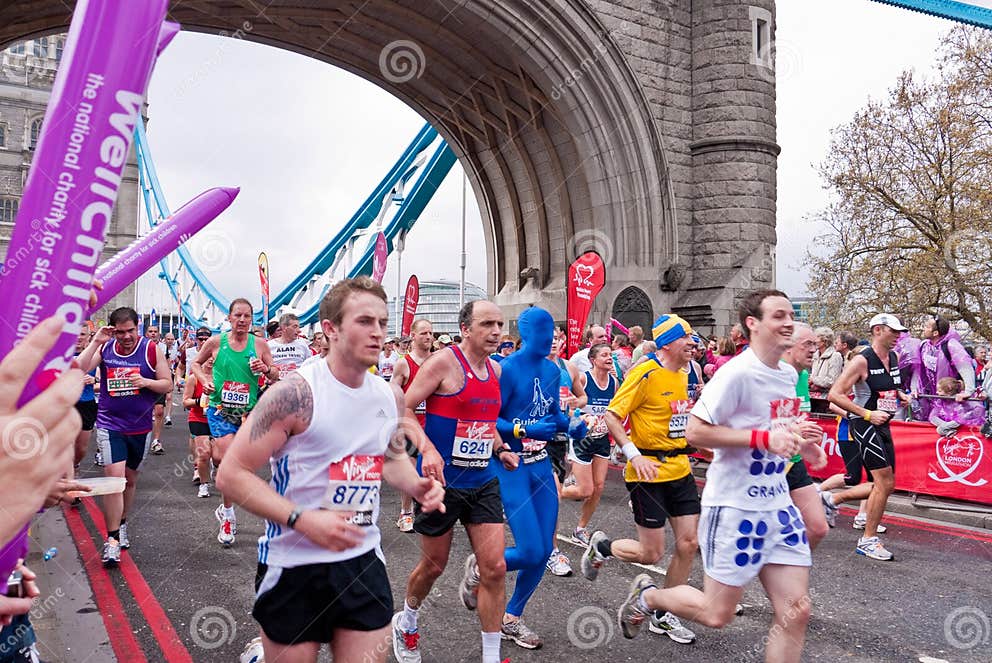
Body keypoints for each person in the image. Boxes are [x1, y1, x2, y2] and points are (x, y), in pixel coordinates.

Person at [216, 277, 444, 663]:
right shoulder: (295, 394)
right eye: (365, 321)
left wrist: (418, 485)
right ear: (331, 329)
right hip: (294, 563)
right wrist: (302, 519)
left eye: (383, 323)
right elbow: (232, 474)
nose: (377, 333)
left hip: (362, 559)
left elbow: (390, 458)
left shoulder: (389, 396)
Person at [611, 291, 826, 663]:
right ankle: (649, 596)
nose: (788, 322)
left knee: (796, 611)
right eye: (779, 315)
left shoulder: (789, 375)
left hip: (777, 508)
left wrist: (802, 446)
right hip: (735, 509)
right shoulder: (735, 374)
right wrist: (762, 439)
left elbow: (778, 431)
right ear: (752, 323)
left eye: (791, 314)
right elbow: (695, 432)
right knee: (716, 613)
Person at [392, 300, 509, 663]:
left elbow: (483, 423)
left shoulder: (497, 371)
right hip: (443, 482)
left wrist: (501, 448)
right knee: (434, 565)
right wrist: (426, 449)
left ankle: (491, 656)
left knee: (495, 567)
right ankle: (407, 619)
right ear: (465, 328)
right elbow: (406, 408)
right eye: (487, 324)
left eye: (499, 324)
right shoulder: (443, 363)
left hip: (483, 480)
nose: (496, 331)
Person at [579, 315, 704, 645]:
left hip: (679, 468)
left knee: (689, 544)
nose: (693, 343)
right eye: (686, 337)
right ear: (666, 343)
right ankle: (601, 546)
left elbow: (680, 420)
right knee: (651, 554)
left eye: (693, 337)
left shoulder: (688, 372)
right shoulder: (645, 372)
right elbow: (612, 415)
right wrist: (633, 453)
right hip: (646, 471)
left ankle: (663, 613)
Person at [491, 307, 588, 649]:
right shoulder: (506, 369)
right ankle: (487, 566)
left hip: (542, 464)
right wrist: (522, 428)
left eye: (554, 335)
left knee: (545, 549)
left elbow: (554, 415)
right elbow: (489, 420)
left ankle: (511, 618)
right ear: (527, 334)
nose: (550, 340)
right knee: (532, 549)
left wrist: (571, 425)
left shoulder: (551, 369)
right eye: (544, 335)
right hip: (510, 465)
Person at [77, 308, 173, 566]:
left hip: (140, 427)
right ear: (113, 330)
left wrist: (145, 382)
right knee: (115, 480)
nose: (126, 336)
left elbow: (168, 384)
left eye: (130, 330)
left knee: (129, 481)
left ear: (137, 327)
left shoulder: (151, 349)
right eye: (120, 332)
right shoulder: (106, 348)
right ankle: (111, 540)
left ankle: (121, 524)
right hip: (110, 424)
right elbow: (79, 368)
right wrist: (97, 340)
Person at [191, 298, 279, 548]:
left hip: (248, 413)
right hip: (220, 410)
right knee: (227, 459)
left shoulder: (260, 344)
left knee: (235, 466)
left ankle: (225, 507)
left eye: (247, 316)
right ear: (229, 318)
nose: (242, 320)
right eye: (237, 315)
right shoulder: (215, 342)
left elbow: (275, 374)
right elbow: (195, 363)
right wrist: (204, 379)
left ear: (252, 320)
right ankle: (228, 515)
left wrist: (264, 368)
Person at [822, 313, 910, 561]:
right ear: (878, 330)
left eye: (899, 332)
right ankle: (868, 539)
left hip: (884, 425)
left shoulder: (893, 357)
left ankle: (831, 499)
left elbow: (888, 386)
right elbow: (834, 395)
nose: (898, 336)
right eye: (894, 331)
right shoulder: (861, 361)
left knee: (887, 484)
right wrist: (868, 414)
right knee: (882, 482)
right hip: (864, 424)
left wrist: (900, 395)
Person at [561, 344, 615, 551]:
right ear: (593, 359)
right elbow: (566, 405)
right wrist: (582, 417)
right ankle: (552, 492)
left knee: (599, 487)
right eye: (604, 355)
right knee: (585, 490)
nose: (609, 358)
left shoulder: (614, 382)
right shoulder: (583, 379)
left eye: (610, 354)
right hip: (581, 439)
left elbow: (615, 410)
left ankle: (580, 529)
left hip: (601, 439)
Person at [781, 323, 830, 550]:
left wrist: (808, 443)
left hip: (795, 462)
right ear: (789, 346)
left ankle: (784, 563)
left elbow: (799, 418)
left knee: (817, 527)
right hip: (769, 466)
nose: (814, 350)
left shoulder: (802, 376)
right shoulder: (774, 375)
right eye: (808, 344)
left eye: (816, 344)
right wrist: (796, 434)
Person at [545, 325, 586, 578]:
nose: (553, 343)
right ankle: (552, 550)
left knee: (553, 495)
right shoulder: (531, 367)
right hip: (533, 440)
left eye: (557, 339)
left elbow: (582, 397)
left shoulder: (568, 368)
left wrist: (574, 403)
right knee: (553, 496)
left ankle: (546, 546)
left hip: (559, 439)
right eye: (548, 339)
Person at [391, 318, 434, 533]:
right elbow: (393, 393)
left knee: (432, 470)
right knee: (410, 470)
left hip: (434, 424)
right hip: (411, 423)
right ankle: (405, 513)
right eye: (424, 333)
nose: (428, 337)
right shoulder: (404, 363)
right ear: (413, 336)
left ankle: (427, 511)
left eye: (430, 333)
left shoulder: (437, 361)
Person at [911, 316, 976, 421]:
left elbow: (965, 367)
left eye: (927, 327)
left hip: (949, 397)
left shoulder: (951, 345)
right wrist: (914, 388)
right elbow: (918, 369)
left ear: (935, 333)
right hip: (929, 397)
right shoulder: (923, 346)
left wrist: (968, 392)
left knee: (947, 423)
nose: (924, 328)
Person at [182, 357, 214, 499]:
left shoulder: (222, 377)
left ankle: (211, 466)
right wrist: (199, 401)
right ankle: (204, 484)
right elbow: (185, 402)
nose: (211, 360)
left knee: (219, 458)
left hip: (217, 419)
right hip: (198, 418)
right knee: (204, 454)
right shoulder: (193, 378)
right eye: (208, 358)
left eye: (215, 358)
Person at [72, 327, 98, 481]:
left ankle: (74, 466)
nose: (78, 337)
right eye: (75, 334)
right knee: (66, 445)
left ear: (89, 337)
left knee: (81, 448)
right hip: (66, 404)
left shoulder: (95, 356)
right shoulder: (61, 355)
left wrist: (94, 380)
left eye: (82, 334)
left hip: (86, 403)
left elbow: (105, 382)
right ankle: (69, 480)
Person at [809, 327, 843, 414]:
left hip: (826, 401)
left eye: (816, 338)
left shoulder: (835, 356)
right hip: (812, 399)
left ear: (825, 340)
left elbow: (832, 381)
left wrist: (813, 380)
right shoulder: (815, 355)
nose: (814, 341)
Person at [267, 313, 311, 380]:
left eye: (299, 327)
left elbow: (309, 365)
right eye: (295, 326)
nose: (299, 330)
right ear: (284, 327)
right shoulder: (269, 345)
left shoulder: (302, 344)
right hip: (276, 385)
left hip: (298, 385)